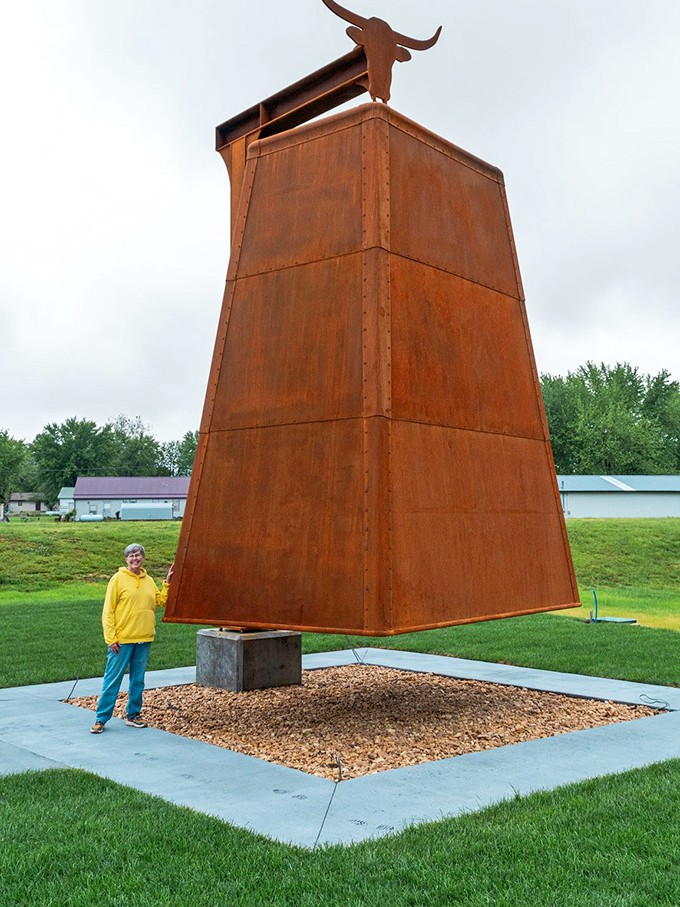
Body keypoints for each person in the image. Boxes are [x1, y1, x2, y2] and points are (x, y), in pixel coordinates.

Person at [90, 543, 174, 734]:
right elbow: (108, 610)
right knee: (112, 680)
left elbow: (160, 601)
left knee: (138, 680)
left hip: (144, 638)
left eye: (138, 555)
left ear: (143, 558)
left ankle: (133, 715)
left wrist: (167, 584)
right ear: (126, 559)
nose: (135, 558)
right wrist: (111, 638)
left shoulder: (148, 580)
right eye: (131, 555)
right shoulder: (117, 579)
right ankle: (101, 718)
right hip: (122, 641)